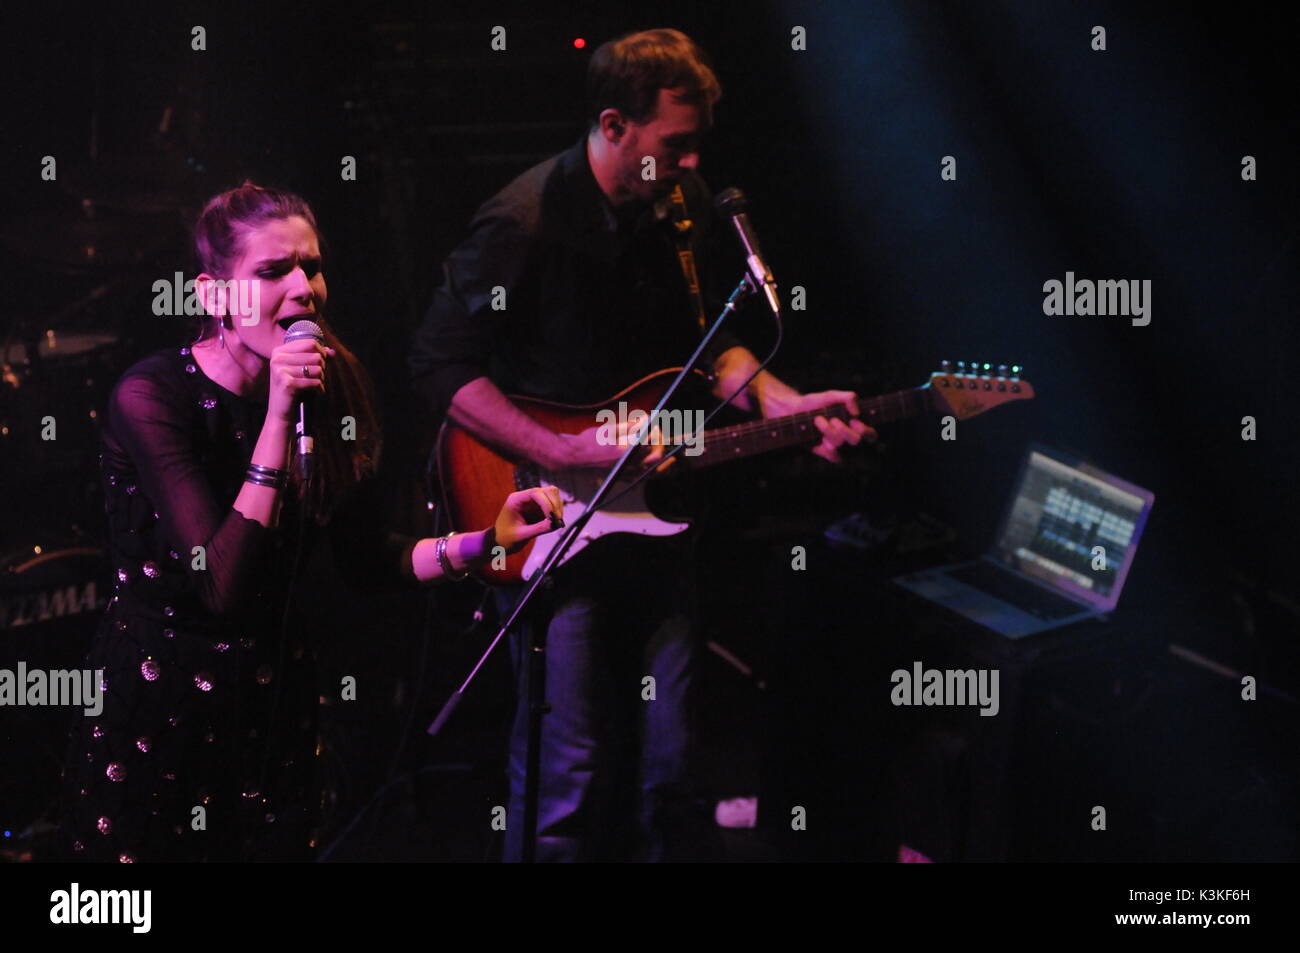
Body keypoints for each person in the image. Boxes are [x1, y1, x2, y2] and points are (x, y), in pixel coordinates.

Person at [409, 29, 873, 861]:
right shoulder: (523, 220)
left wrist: (784, 400)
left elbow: (709, 348)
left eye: (699, 145)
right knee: (568, 775)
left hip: (659, 522)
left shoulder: (681, 210)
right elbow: (439, 365)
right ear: (615, 124)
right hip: (551, 517)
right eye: (677, 144)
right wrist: (560, 453)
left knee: (671, 768)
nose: (694, 163)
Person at [61, 182, 562, 862]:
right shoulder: (153, 398)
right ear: (213, 296)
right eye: (273, 271)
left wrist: (483, 542)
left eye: (312, 266)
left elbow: (366, 558)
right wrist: (275, 417)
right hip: (159, 712)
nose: (304, 288)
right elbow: (223, 583)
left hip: (272, 714)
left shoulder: (332, 387)